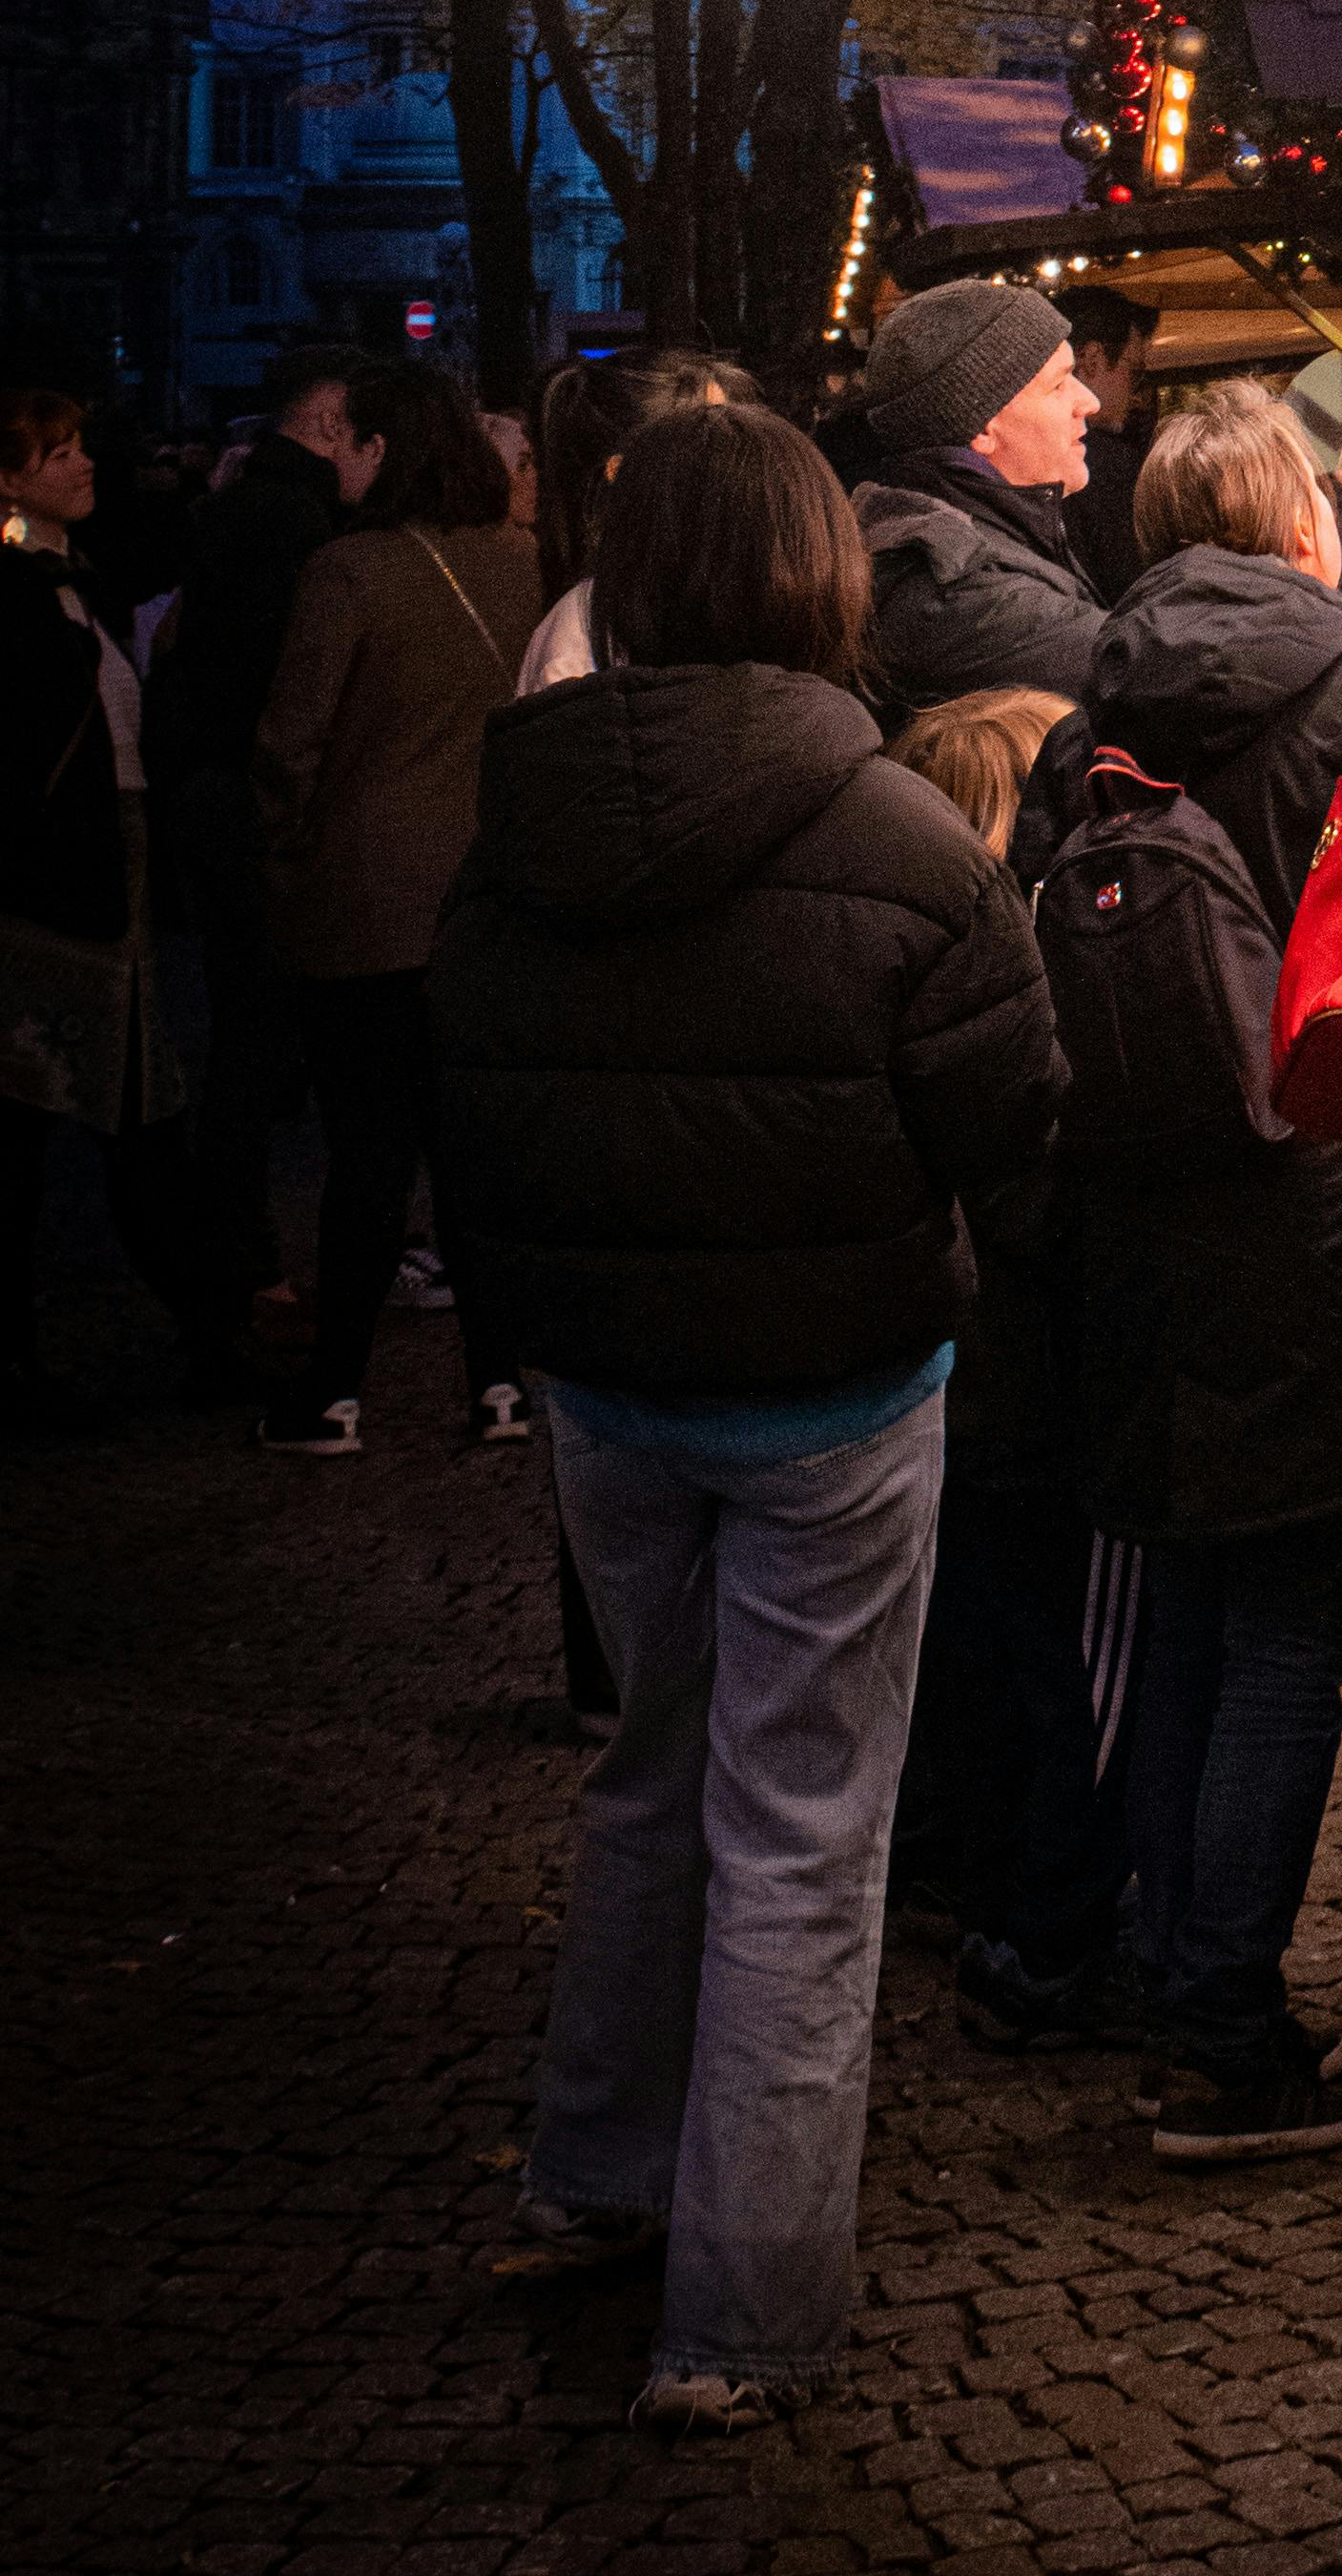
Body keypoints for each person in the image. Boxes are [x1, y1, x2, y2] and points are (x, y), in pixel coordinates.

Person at [434, 405, 1064, 2435]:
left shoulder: (512, 822)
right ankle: (747, 2310)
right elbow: (1009, 1110)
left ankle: (589, 2181)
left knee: (646, 1773)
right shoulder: (891, 829)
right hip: (837, 1390)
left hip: (608, 1385)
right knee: (802, 1836)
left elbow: (469, 1099)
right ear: (821, 578)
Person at [1054, 379, 1342, 2163]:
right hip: (1316, 1209)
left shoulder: (1096, 710)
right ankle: (1227, 2038)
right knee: (1288, 1624)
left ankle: (1171, 1975)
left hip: (1140, 1215)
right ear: (1307, 524)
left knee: (1192, 1613)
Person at [879, 684, 1147, 2059]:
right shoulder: (1009, 987)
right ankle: (1040, 1930)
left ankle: (955, 1870)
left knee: (971, 1642)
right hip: (1025, 1392)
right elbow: (1036, 1202)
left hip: (950, 1387)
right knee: (1056, 1662)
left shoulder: (894, 972)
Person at [251, 358, 543, 1453]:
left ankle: (333, 1393)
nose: (342, 461)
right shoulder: (526, 562)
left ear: (382, 449)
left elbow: (291, 747)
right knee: (474, 1154)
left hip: (365, 908)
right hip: (489, 903)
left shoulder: (346, 572)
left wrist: (284, 871)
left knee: (367, 1159)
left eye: (353, 442)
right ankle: (498, 1382)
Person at [144, 343, 369, 1348]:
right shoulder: (300, 520)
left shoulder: (242, 505)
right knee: (257, 1043)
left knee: (248, 1040)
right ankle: (239, 1269)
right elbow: (295, 689)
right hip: (250, 802)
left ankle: (236, 1263)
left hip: (212, 789)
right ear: (329, 420)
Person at [0, 393, 206, 1413]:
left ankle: (200, 1319)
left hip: (96, 869)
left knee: (107, 1111)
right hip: (58, 884)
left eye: (83, 445)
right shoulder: (25, 593)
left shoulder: (73, 580)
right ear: (9, 476)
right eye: (59, 451)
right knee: (79, 1113)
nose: (83, 465)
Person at [854, 280, 1105, 706]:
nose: (1090, 401)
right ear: (983, 428)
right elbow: (1146, 673)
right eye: (1059, 384)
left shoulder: (991, 534)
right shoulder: (952, 590)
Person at [524, 350, 742, 688]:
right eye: (712, 439)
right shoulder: (580, 643)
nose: (739, 458)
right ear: (622, 471)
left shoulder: (695, 598)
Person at [1060, 286, 1162, 607]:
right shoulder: (1108, 466)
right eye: (1134, 372)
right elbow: (1136, 587)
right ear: (1091, 360)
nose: (1134, 392)